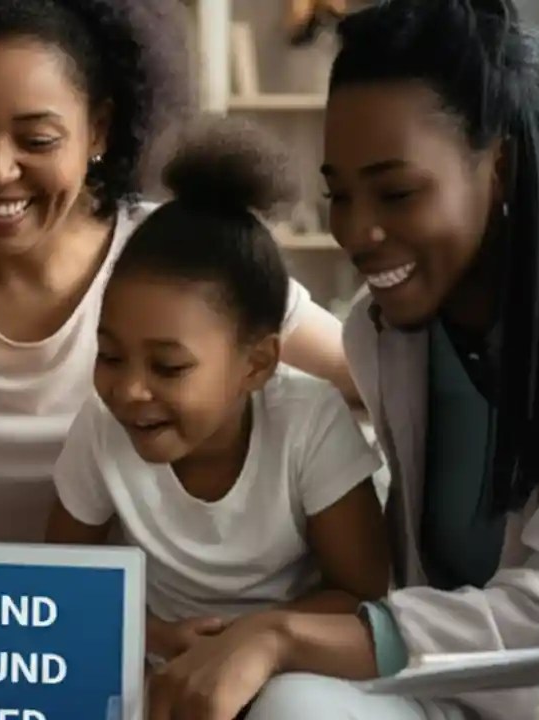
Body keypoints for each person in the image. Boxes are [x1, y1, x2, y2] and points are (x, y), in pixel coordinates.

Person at [144, 1, 539, 719]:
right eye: (339, 194)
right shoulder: (385, 332)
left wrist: (280, 634)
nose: (357, 231)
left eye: (397, 192)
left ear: (501, 167)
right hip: (446, 692)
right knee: (291, 706)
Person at [0, 0, 357, 543]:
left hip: (157, 620)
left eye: (36, 141)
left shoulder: (186, 255)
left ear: (98, 130)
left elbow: (368, 380)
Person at [45, 118, 389, 665]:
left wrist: (249, 645)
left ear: (257, 365)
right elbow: (60, 588)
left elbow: (365, 596)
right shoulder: (101, 428)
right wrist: (153, 638)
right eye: (110, 356)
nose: (130, 389)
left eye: (168, 366)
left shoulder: (309, 423)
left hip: (287, 666)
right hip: (152, 662)